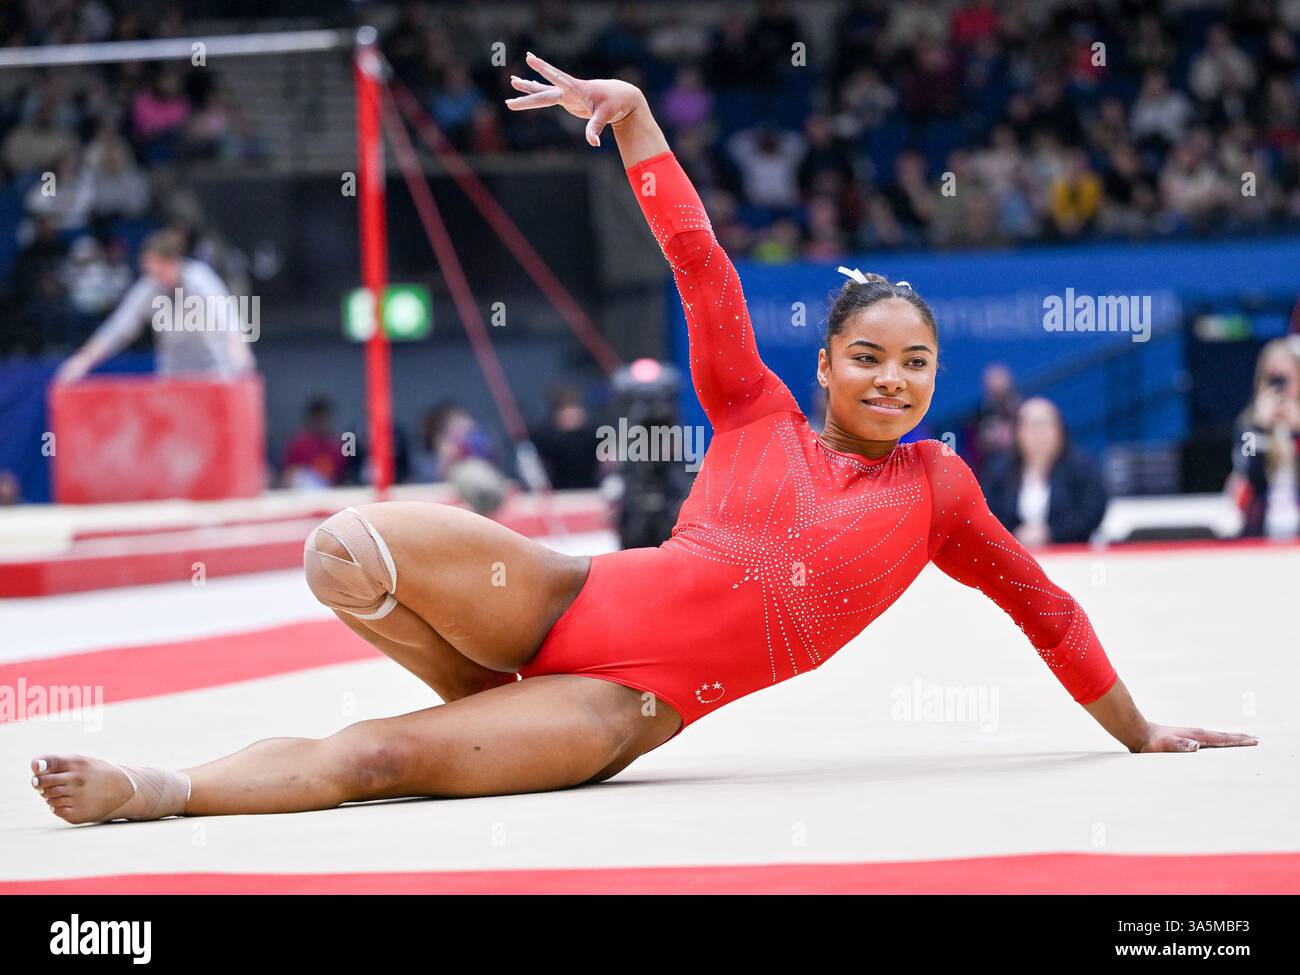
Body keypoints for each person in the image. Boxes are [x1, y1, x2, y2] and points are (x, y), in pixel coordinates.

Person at [31, 56, 1257, 825]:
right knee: (341, 551)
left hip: (628, 702)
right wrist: (633, 127)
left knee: (378, 764)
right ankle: (487, 708)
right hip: (558, 597)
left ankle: (165, 789)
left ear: (934, 379)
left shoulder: (938, 490)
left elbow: (1041, 605)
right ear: (823, 365)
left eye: (915, 363)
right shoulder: (749, 403)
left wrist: (1137, 728)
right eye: (868, 357)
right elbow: (702, 269)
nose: (892, 379)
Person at [53, 229, 256, 382]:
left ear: (172, 262)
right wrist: (83, 360)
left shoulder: (200, 280)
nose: (151, 272)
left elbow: (228, 318)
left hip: (216, 374)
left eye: (156, 265)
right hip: (175, 376)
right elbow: (119, 327)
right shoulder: (150, 287)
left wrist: (241, 352)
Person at [980, 397, 1108, 546]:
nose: (1039, 433)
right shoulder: (1000, 472)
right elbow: (987, 512)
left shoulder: (1082, 468)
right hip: (1012, 555)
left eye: (1045, 425)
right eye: (1032, 425)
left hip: (1070, 555)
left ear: (1060, 430)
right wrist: (1015, 534)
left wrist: (1051, 532)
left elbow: (1092, 512)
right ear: (1018, 432)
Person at [1227, 338, 1300, 540]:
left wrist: (1296, 432)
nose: (1279, 388)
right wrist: (1260, 429)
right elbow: (1249, 473)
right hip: (1261, 530)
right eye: (1272, 379)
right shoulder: (1249, 426)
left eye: (1285, 379)